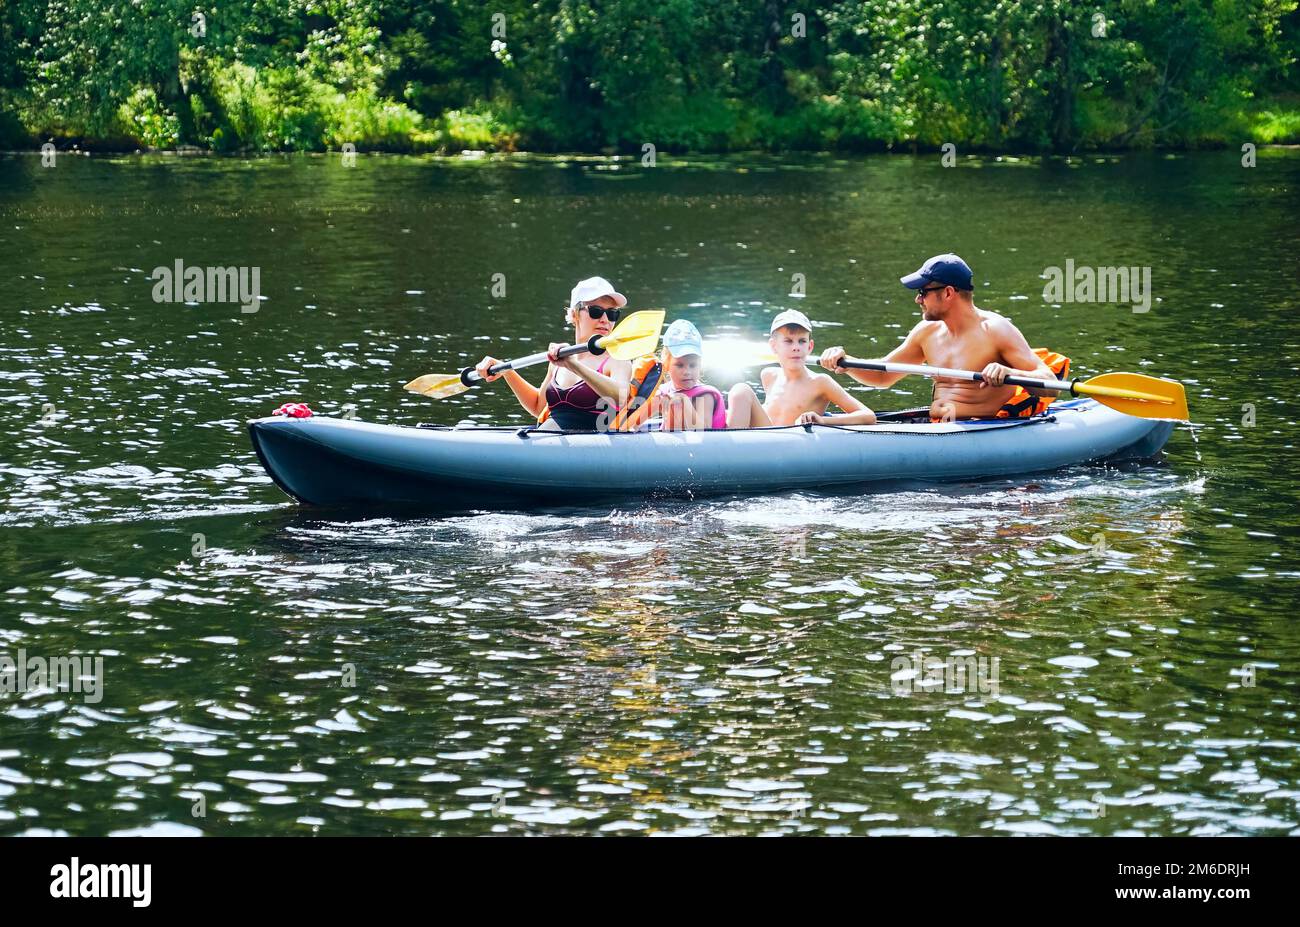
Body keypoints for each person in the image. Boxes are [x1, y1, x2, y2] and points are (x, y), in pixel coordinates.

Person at [819, 254, 1063, 421]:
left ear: (948, 293)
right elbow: (883, 376)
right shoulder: (927, 333)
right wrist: (845, 362)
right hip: (940, 425)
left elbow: (1050, 385)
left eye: (923, 292)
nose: (917, 300)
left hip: (984, 429)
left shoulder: (995, 330)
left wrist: (1009, 373)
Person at [473, 277, 634, 431]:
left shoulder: (617, 360)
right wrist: (507, 371)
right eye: (596, 311)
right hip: (547, 437)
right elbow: (538, 407)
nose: (605, 319)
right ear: (574, 315)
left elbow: (620, 398)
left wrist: (574, 366)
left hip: (587, 448)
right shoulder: (560, 359)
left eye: (612, 313)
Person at [726, 309, 878, 428]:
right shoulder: (769, 375)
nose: (796, 348)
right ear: (773, 346)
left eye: (801, 341)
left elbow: (869, 416)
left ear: (810, 346)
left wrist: (822, 421)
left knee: (741, 389)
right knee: (739, 392)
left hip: (790, 443)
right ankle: (724, 442)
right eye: (788, 341)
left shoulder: (820, 382)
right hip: (765, 434)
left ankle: (729, 452)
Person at [657, 319, 728, 430]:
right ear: (666, 364)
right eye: (680, 365)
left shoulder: (704, 396)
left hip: (710, 445)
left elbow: (705, 434)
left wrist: (684, 401)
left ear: (700, 365)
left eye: (693, 365)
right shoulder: (663, 391)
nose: (687, 372)